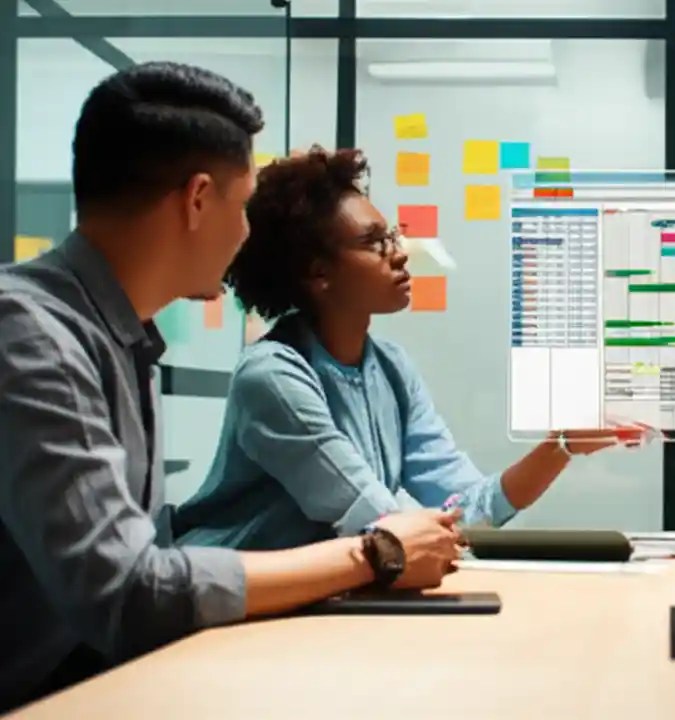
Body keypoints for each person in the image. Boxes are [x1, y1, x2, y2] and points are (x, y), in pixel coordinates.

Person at [0, 63, 464, 713]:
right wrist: (374, 554)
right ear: (197, 199)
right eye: (242, 206)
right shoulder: (29, 335)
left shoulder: (123, 339)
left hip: (103, 683)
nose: (247, 234)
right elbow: (127, 593)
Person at [172, 148, 634, 551]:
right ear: (318, 273)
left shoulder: (390, 367)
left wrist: (562, 444)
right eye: (374, 242)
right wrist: (438, 530)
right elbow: (387, 529)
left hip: (325, 596)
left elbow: (469, 509)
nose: (399, 253)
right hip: (234, 602)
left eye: (392, 236)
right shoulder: (272, 377)